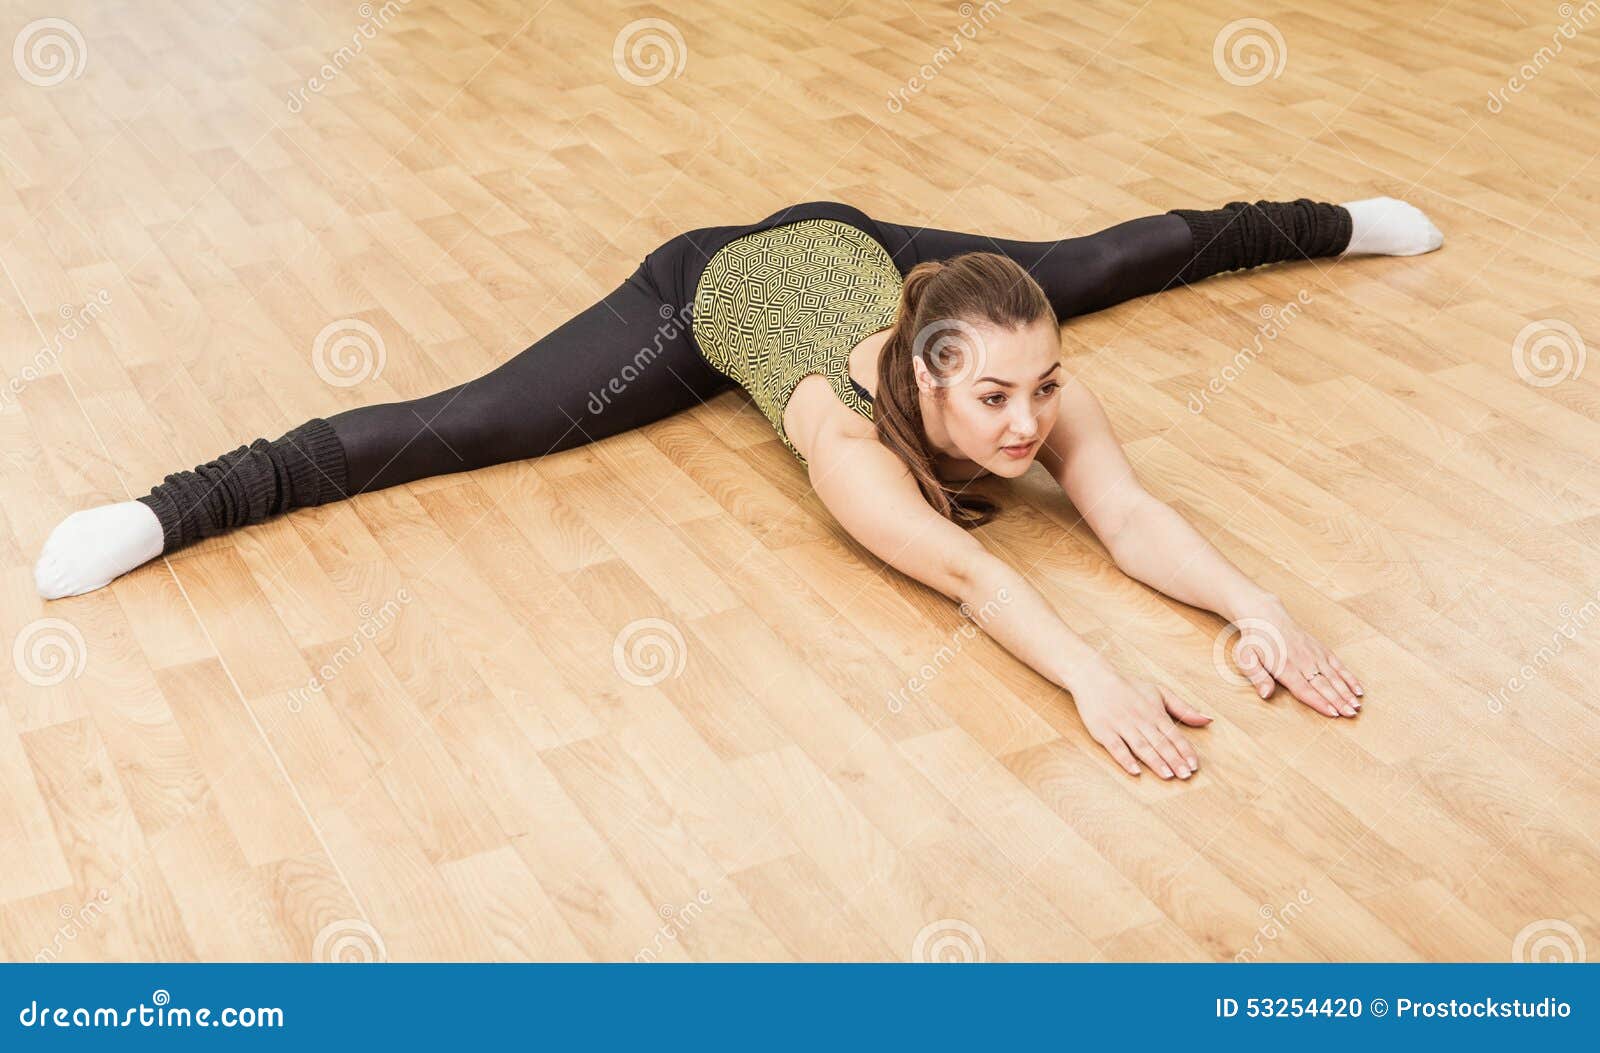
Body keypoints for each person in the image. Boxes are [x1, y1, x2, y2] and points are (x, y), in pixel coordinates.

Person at [34, 194, 1443, 779]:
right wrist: (1090, 679)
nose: (1030, 425)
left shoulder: (1011, 361)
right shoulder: (846, 440)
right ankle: (167, 509)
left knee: (1114, 253)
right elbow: (977, 571)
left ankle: (1340, 222)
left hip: (842, 232)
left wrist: (1254, 605)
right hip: (705, 293)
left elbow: (1126, 516)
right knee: (461, 424)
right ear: (926, 381)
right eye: (996, 400)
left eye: (1042, 389)